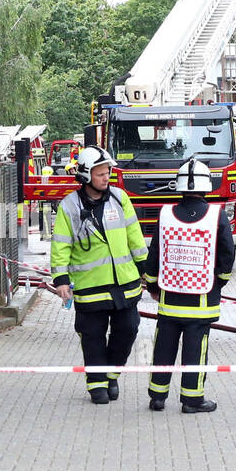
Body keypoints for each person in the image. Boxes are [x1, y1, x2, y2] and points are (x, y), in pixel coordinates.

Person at [50, 145, 147, 404]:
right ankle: (97, 386)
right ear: (85, 175)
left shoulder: (119, 198)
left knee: (128, 329)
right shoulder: (69, 206)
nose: (107, 177)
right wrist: (60, 279)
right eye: (101, 173)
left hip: (124, 283)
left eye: (108, 172)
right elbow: (61, 243)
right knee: (92, 336)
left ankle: (111, 374)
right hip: (90, 287)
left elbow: (134, 235)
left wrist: (145, 268)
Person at [143, 159, 235, 413]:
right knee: (196, 350)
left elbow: (155, 254)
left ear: (179, 186)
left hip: (170, 298)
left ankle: (158, 397)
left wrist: (152, 284)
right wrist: (220, 282)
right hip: (202, 300)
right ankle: (192, 400)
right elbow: (227, 255)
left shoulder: (165, 214)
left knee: (163, 347)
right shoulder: (217, 215)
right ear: (207, 187)